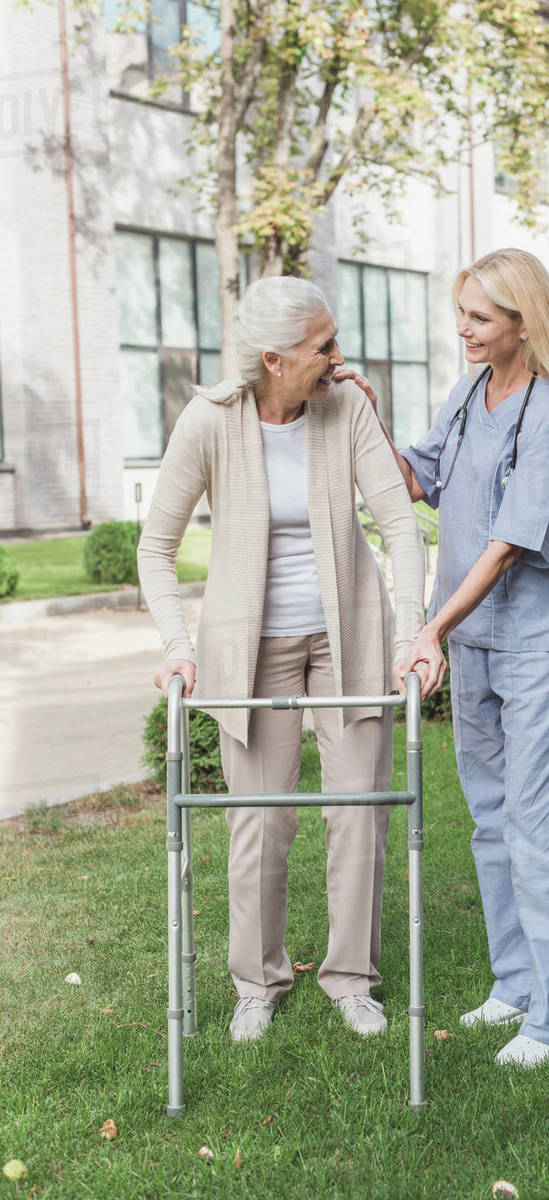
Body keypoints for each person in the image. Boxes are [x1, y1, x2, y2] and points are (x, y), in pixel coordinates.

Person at [138, 276, 425, 1042]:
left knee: (357, 811)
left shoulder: (347, 406)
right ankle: (256, 984)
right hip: (249, 646)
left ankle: (351, 979)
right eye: (322, 346)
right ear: (272, 358)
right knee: (259, 822)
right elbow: (156, 547)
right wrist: (175, 642)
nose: (338, 356)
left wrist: (409, 636)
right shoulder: (208, 422)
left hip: (351, 636)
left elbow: (400, 526)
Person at [338, 248, 549, 1067]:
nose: (463, 329)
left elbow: (508, 548)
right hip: (474, 641)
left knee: (538, 826)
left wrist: (428, 629)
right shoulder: (468, 393)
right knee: (490, 821)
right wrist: (368, 412)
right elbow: (414, 479)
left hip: (533, 643)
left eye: (481, 317)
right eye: (460, 313)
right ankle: (514, 984)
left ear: (525, 322)